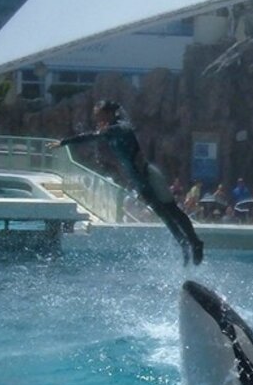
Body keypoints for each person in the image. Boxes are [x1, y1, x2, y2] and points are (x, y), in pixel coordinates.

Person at [55, 100, 204, 265]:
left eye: (99, 114)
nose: (96, 118)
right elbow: (98, 136)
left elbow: (92, 136)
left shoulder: (120, 127)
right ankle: (183, 243)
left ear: (109, 113)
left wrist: (64, 142)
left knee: (172, 210)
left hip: (147, 175)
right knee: (163, 214)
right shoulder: (108, 130)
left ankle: (194, 242)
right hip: (138, 180)